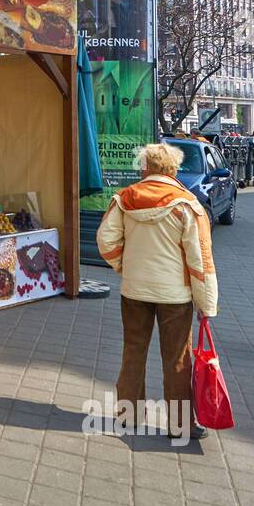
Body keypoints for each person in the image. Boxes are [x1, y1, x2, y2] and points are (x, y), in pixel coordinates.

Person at [96, 143, 218, 440]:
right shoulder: (188, 204)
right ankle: (180, 426)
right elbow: (200, 259)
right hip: (175, 296)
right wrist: (207, 303)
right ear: (174, 170)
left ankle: (127, 416)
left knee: (133, 350)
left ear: (145, 168)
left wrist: (124, 267)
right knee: (176, 358)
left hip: (134, 290)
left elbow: (106, 240)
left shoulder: (124, 199)